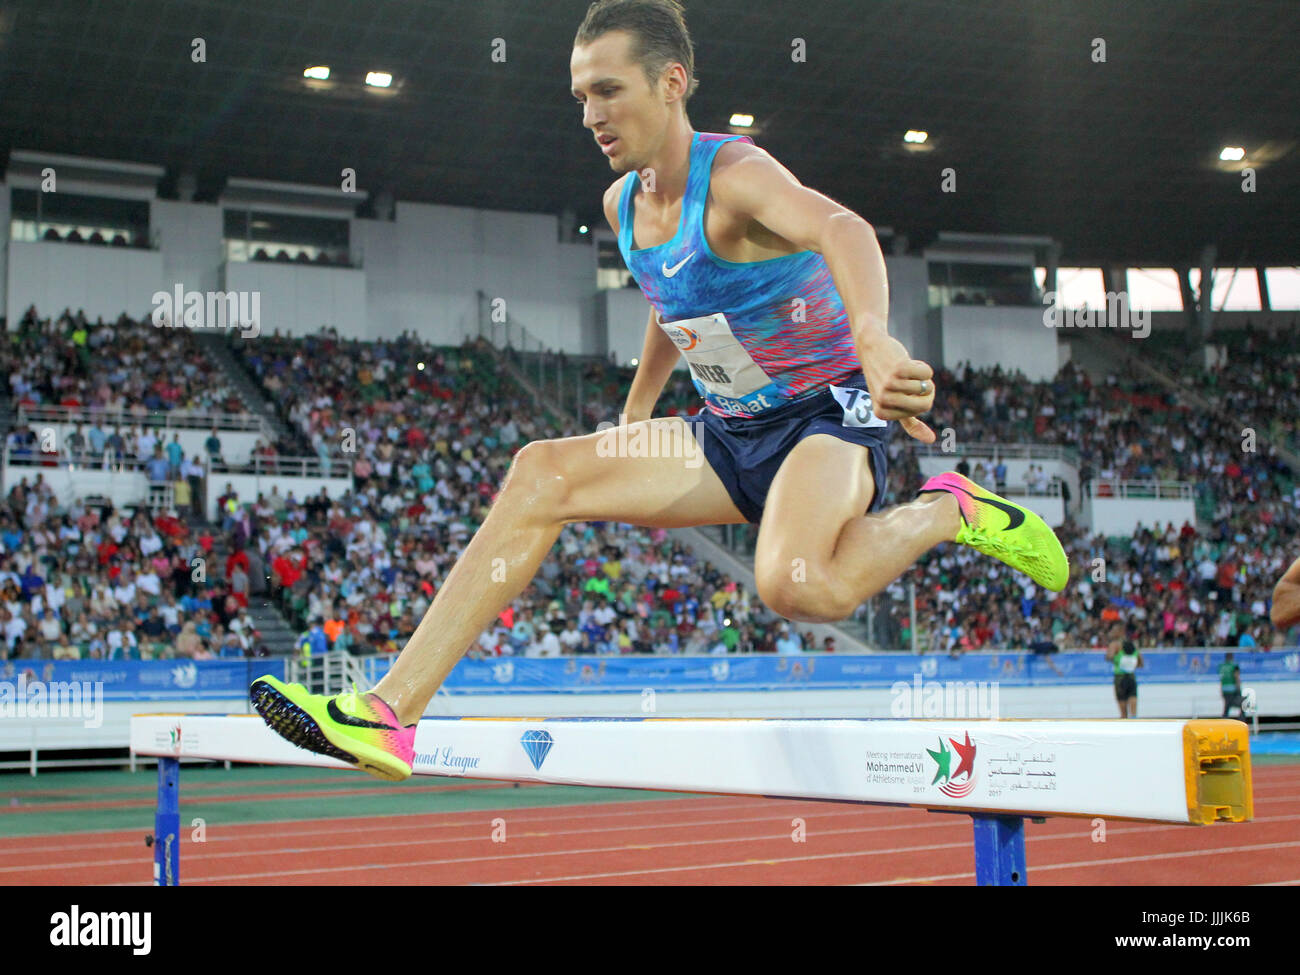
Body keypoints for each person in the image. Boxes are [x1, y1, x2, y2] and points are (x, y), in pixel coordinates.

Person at [249, 0, 1069, 782]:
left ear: (671, 83)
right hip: (726, 431)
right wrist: (639, 408)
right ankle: (389, 713)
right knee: (542, 471)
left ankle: (947, 509)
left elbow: (843, 229)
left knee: (791, 586)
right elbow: (670, 298)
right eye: (579, 97)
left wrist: (875, 339)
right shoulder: (622, 202)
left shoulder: (736, 174)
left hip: (825, 415)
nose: (590, 115)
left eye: (609, 90)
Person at [1105, 630, 1142, 718]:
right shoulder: (1134, 649)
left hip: (1120, 678)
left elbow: (1108, 657)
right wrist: (1130, 664)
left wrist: (1115, 658)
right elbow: (1141, 664)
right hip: (1131, 677)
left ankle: (1125, 725)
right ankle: (1134, 722)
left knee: (1123, 713)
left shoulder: (1115, 646)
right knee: (1134, 712)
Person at [1219, 652, 1245, 720]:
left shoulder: (1222, 666)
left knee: (1227, 707)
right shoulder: (1234, 666)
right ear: (1232, 657)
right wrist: (1239, 689)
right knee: (1243, 703)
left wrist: (1221, 690)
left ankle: (1224, 723)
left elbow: (1221, 679)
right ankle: (1241, 721)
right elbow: (1236, 677)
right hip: (1232, 690)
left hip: (1224, 690)